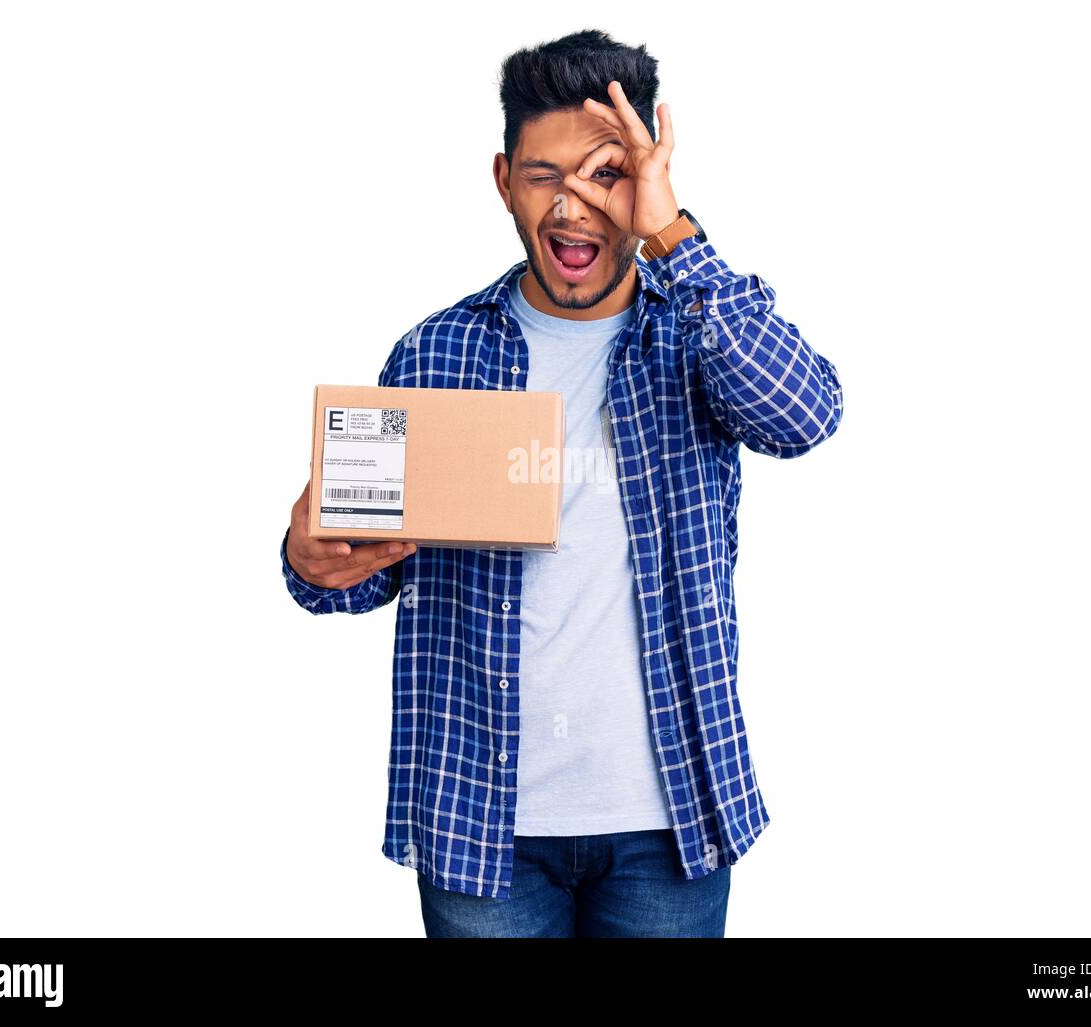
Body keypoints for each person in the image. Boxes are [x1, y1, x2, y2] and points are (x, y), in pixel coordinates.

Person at [280, 29, 843, 938]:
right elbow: (362, 569)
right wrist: (313, 559)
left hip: (668, 819)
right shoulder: (435, 354)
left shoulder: (698, 332)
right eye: (547, 176)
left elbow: (805, 413)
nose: (576, 205)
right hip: (480, 822)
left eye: (606, 174)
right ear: (504, 181)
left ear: (647, 175)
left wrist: (671, 232)